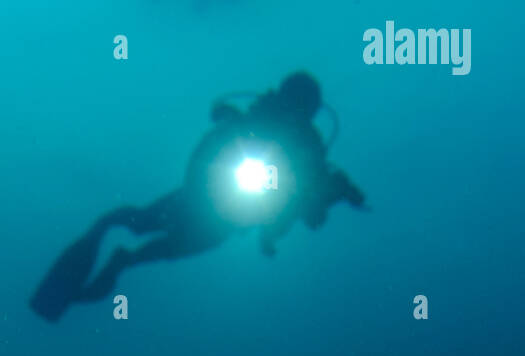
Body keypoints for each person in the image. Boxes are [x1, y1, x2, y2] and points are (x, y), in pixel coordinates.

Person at [29, 73, 366, 321]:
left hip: (225, 222)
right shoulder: (255, 117)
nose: (294, 111)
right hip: (198, 197)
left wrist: (338, 193)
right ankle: (95, 244)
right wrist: (226, 117)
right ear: (284, 95)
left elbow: (312, 201)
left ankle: (96, 278)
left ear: (310, 111)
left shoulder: (309, 148)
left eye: (301, 106)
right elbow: (220, 124)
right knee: (134, 222)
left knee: (148, 253)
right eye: (292, 100)